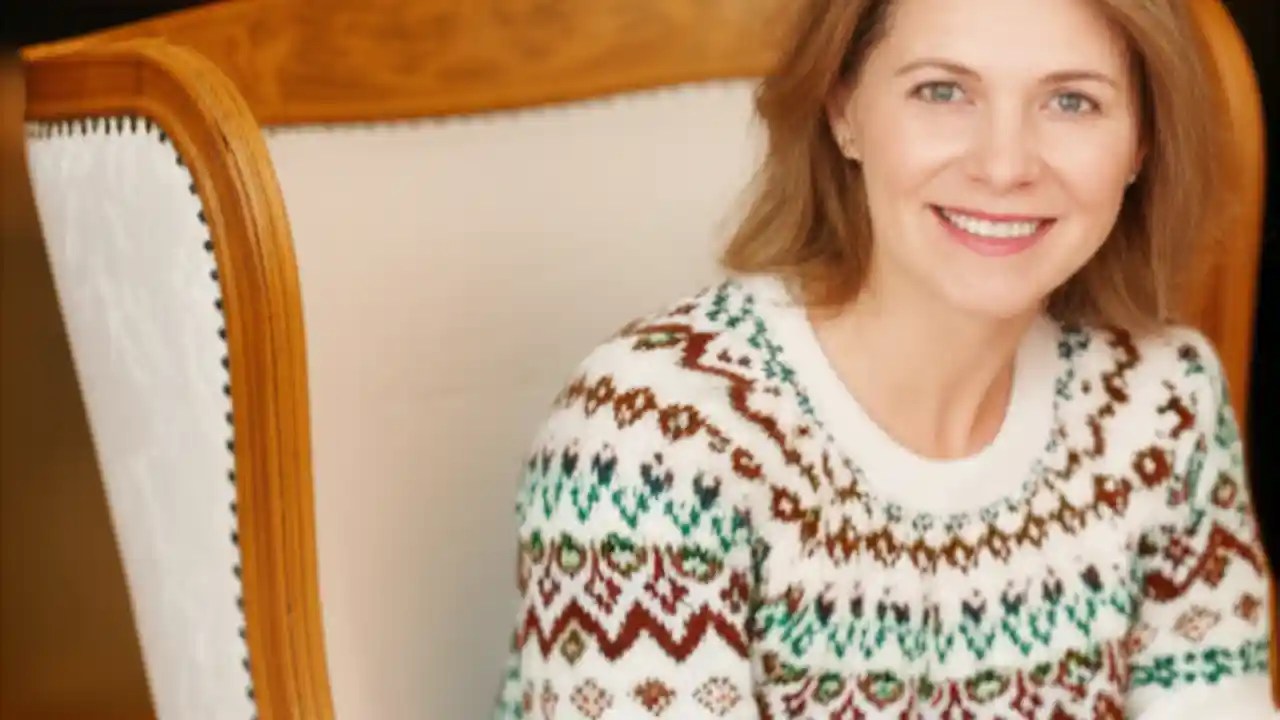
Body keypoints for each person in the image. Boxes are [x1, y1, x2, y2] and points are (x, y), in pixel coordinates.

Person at [492, 0, 1275, 716]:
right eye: (942, 91)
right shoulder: (652, 439)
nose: (1005, 165)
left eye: (1072, 101)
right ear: (844, 111)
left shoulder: (1164, 401)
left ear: (1141, 143)